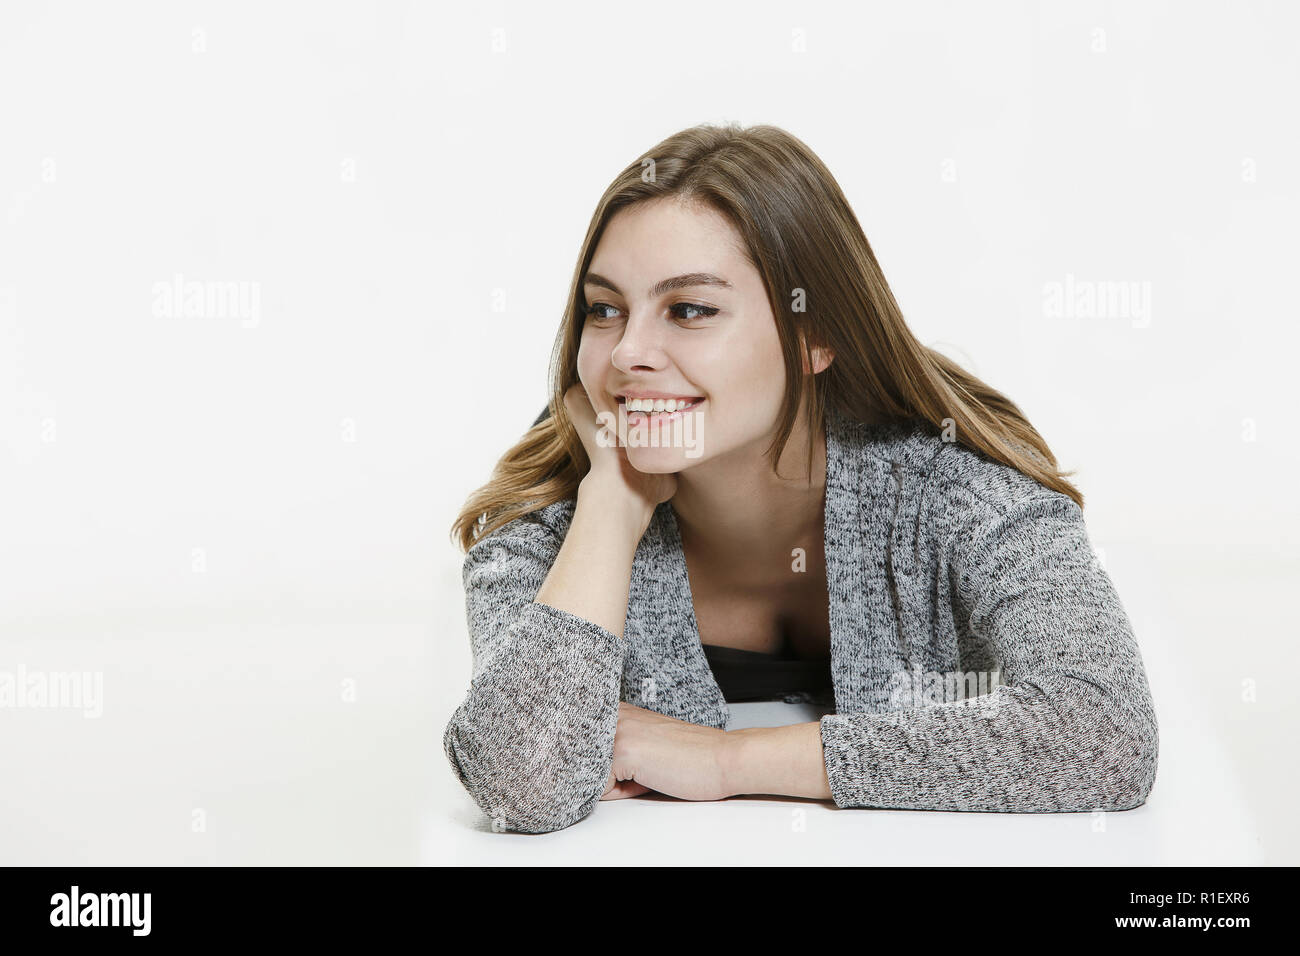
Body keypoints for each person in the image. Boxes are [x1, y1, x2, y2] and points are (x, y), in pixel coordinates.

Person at [444, 123, 1159, 833]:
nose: (629, 352)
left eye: (690, 309)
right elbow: (521, 782)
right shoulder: (552, 509)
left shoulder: (955, 491)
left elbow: (1107, 730)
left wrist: (732, 763)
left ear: (817, 335)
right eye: (605, 310)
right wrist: (609, 504)